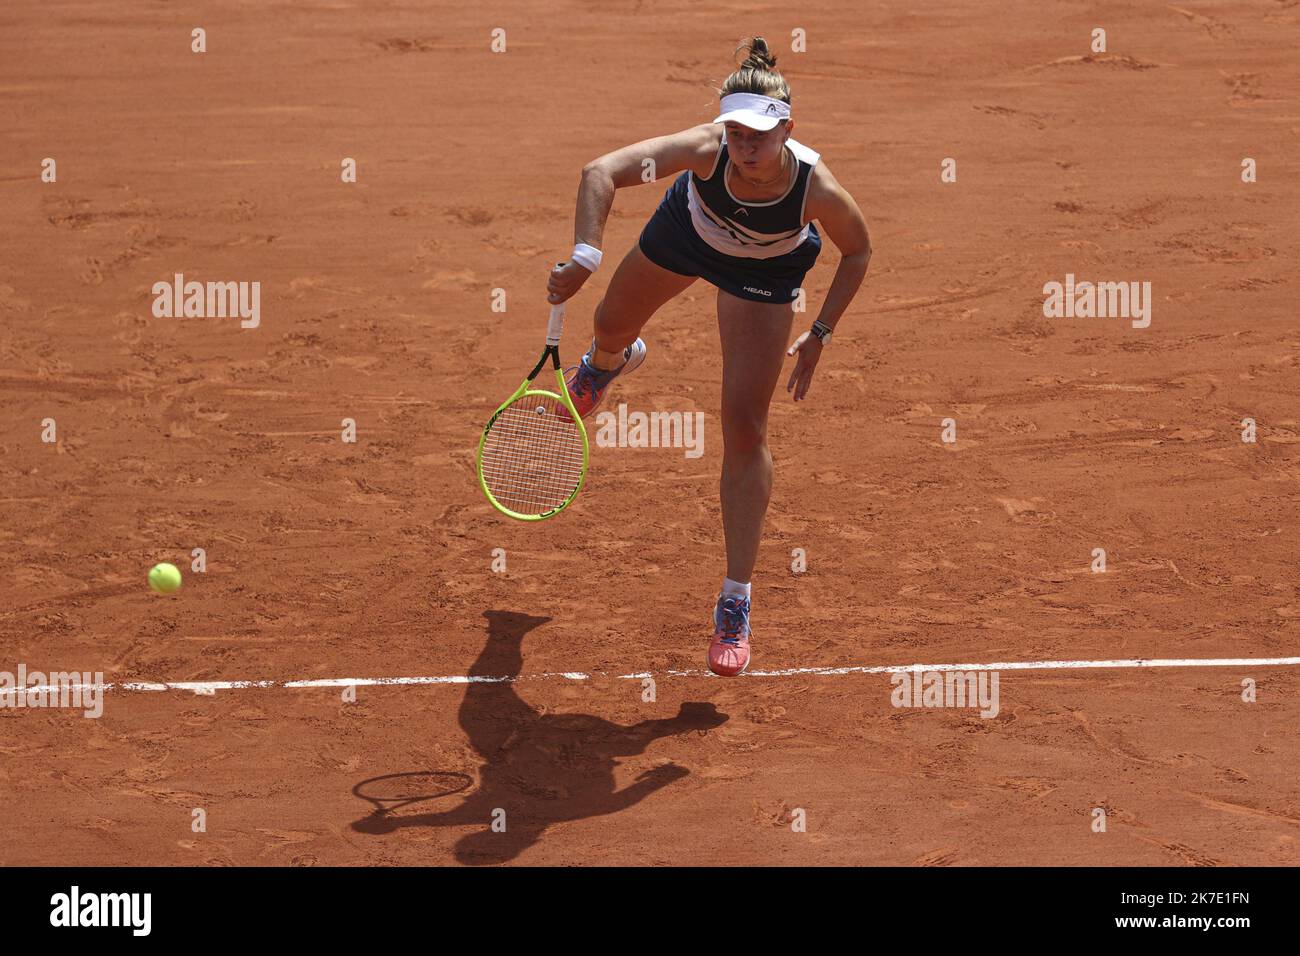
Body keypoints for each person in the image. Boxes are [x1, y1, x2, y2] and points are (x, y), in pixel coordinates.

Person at [546, 37, 872, 677]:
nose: (745, 146)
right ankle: (607, 364)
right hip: (688, 237)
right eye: (735, 132)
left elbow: (858, 250)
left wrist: (823, 332)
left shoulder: (818, 189)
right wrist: (586, 254)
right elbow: (600, 171)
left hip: (768, 273)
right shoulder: (705, 151)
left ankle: (735, 599)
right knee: (609, 321)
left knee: (745, 426)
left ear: (786, 128)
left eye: (758, 133)